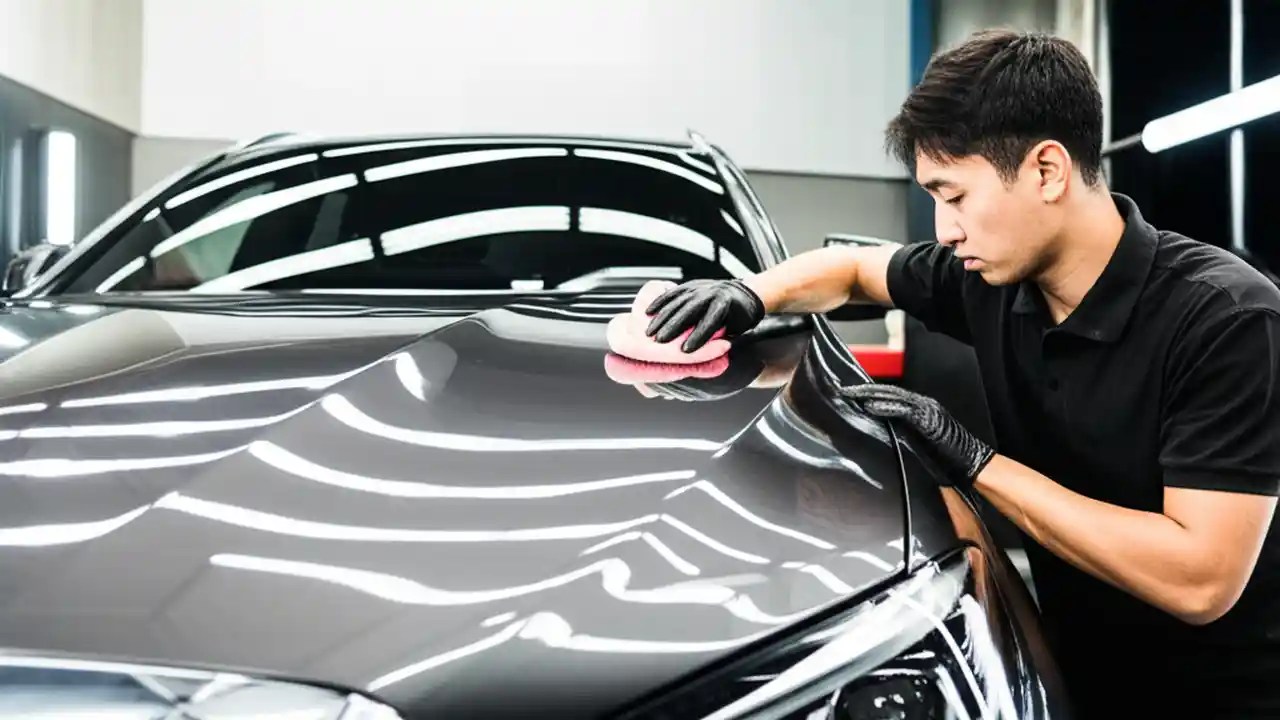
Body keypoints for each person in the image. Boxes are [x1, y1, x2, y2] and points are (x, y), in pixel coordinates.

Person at [642, 29, 1280, 718]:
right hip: (1071, 677)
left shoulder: (1228, 320)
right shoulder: (994, 281)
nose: (944, 229)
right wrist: (753, 295)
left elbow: (1200, 580)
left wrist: (975, 462)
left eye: (955, 196)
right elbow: (854, 270)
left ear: (1046, 172)